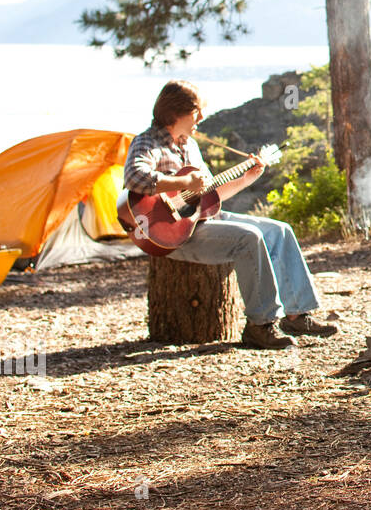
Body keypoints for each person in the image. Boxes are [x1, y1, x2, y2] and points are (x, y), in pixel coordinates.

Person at [122, 80, 337, 349]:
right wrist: (183, 183)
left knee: (280, 231)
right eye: (196, 111)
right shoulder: (148, 142)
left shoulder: (190, 147)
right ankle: (261, 325)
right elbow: (134, 177)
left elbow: (209, 196)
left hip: (202, 221)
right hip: (170, 234)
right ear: (176, 111)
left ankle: (295, 314)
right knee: (249, 238)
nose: (201, 117)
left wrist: (247, 178)